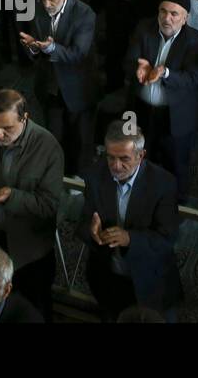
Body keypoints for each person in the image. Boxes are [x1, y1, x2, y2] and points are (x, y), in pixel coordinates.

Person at [0, 89, 64, 319]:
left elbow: (49, 206)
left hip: (29, 250)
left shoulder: (48, 147)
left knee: (31, 311)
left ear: (24, 118)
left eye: (7, 128)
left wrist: (12, 197)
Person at [77, 120, 182, 321]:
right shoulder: (95, 176)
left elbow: (168, 238)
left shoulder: (163, 183)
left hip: (150, 282)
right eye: (110, 157)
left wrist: (130, 239)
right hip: (108, 279)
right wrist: (92, 231)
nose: (116, 166)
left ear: (140, 155)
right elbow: (82, 224)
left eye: (124, 158)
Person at [125, 0, 198, 197]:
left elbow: (192, 78)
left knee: (176, 163)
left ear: (185, 18)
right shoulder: (144, 28)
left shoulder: (194, 39)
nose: (166, 18)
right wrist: (137, 66)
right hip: (142, 111)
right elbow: (128, 59)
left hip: (175, 115)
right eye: (163, 11)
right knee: (140, 158)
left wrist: (165, 72)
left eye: (174, 14)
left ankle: (177, 206)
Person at [19, 0, 96, 175]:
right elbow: (33, 43)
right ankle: (56, 171)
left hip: (75, 85)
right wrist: (34, 48)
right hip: (50, 83)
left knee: (79, 136)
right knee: (53, 132)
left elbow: (79, 53)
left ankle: (77, 175)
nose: (46, 4)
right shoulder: (36, 8)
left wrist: (51, 49)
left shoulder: (84, 13)